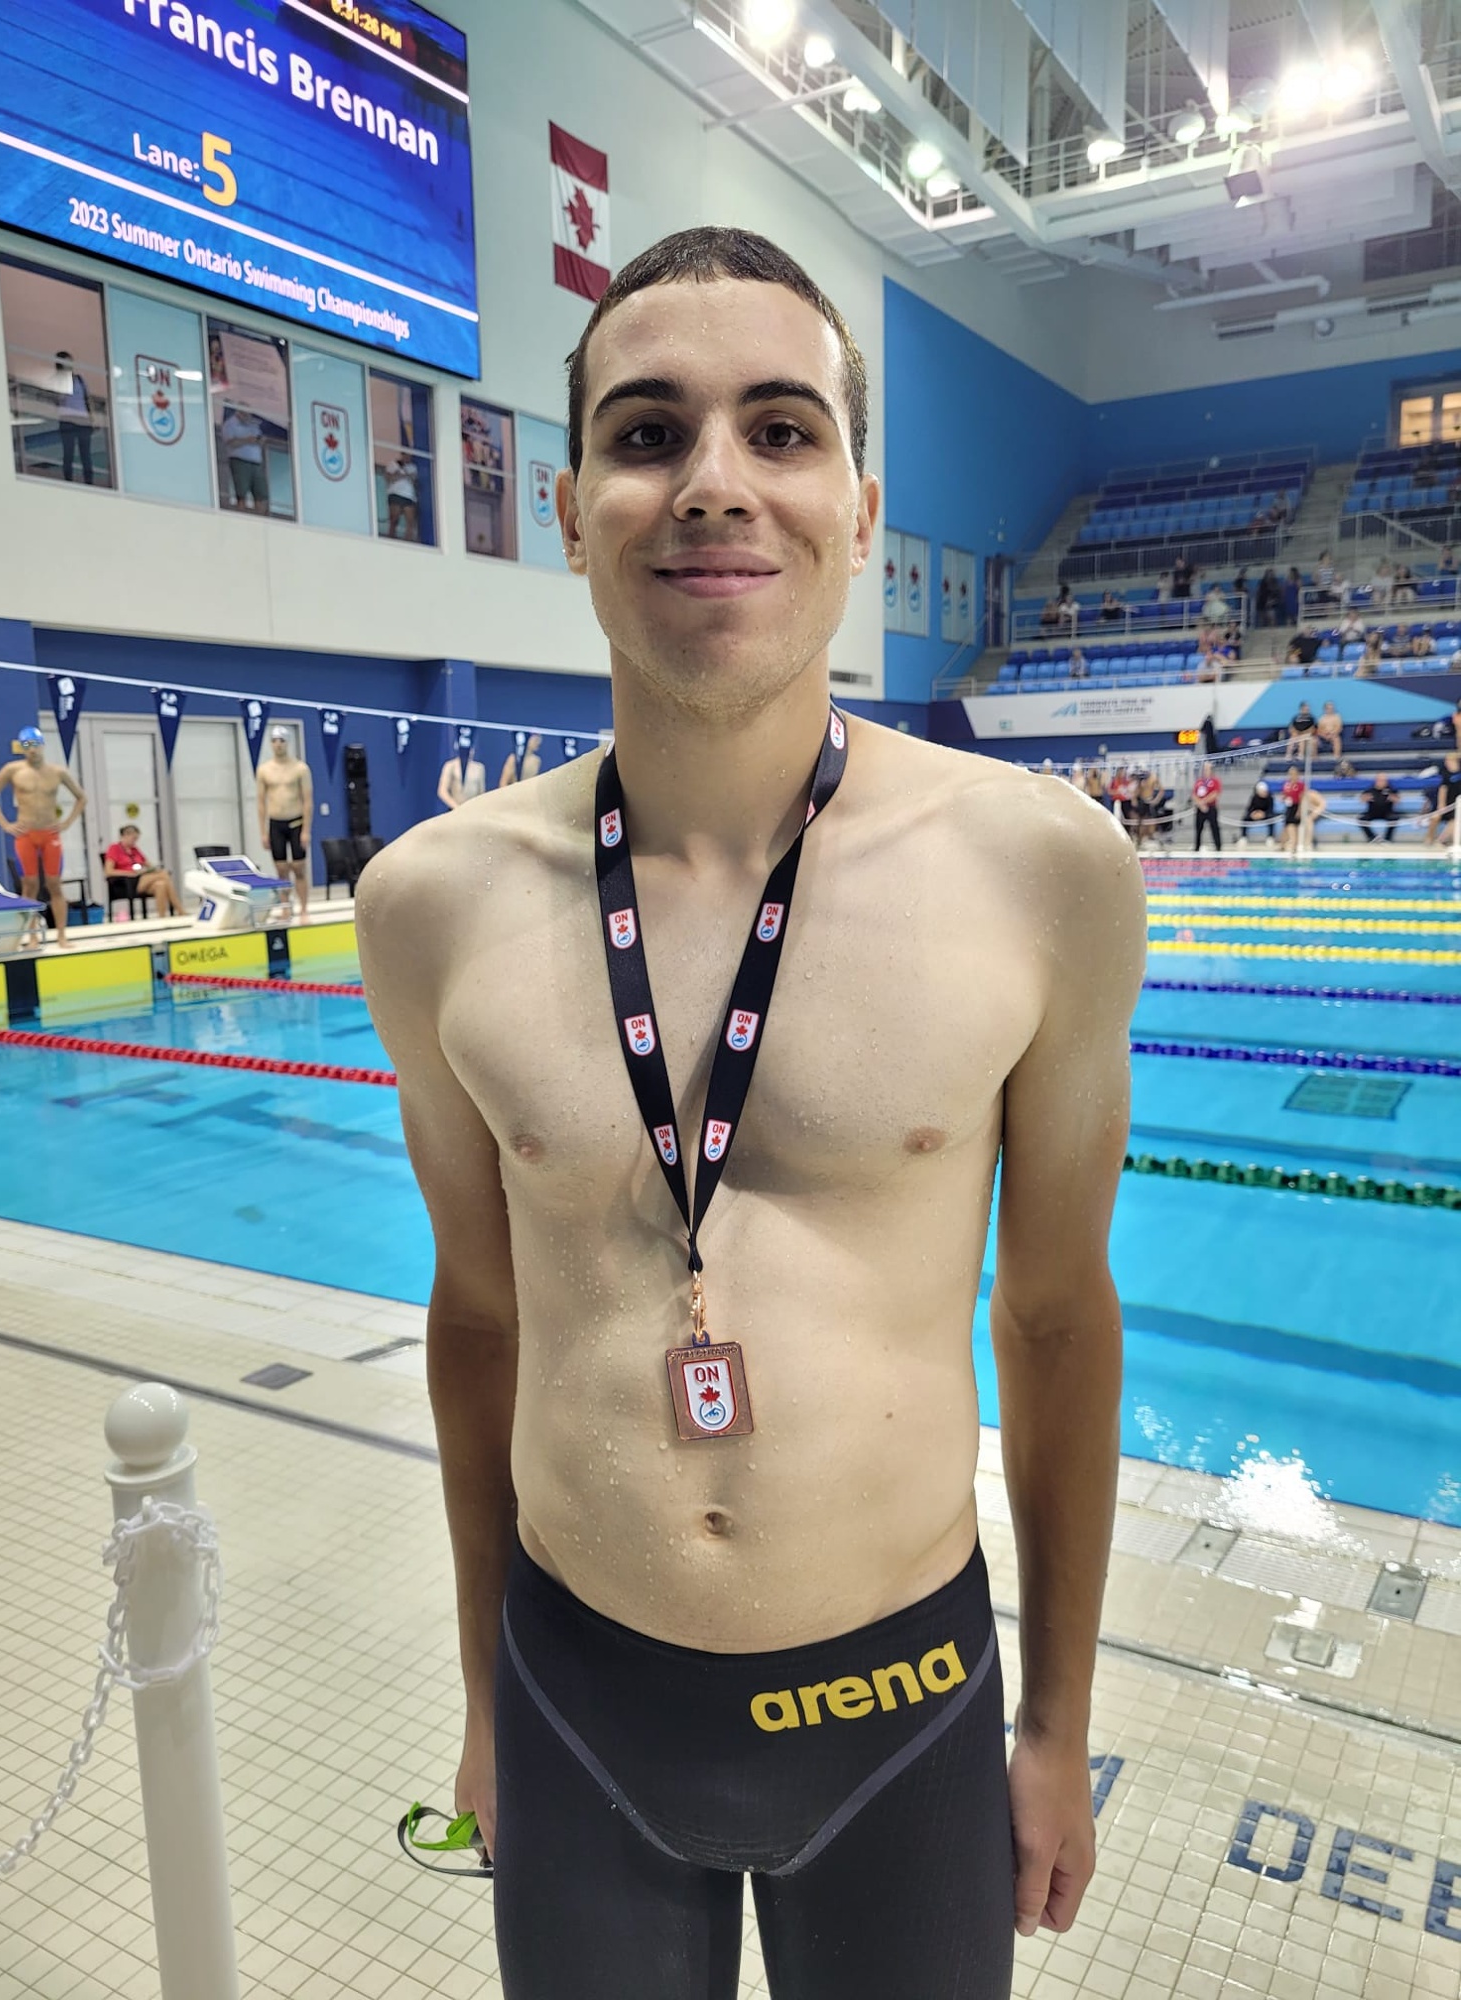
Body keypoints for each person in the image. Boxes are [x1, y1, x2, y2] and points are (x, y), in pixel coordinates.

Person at [355, 225, 1142, 2000]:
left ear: (864, 510)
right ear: (567, 508)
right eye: (649, 434)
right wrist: (488, 1700)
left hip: (903, 1714)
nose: (716, 483)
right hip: (578, 1698)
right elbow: (476, 1317)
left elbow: (1058, 1315)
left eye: (782, 431)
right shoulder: (431, 906)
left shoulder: (1045, 875)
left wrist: (1060, 1719)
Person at [0, 726, 86, 947]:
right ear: (22, 748)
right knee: (30, 885)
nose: (32, 750)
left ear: (42, 745)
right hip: (26, 833)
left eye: (35, 745)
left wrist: (66, 823)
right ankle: (34, 936)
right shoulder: (12, 770)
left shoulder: (58, 772)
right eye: (27, 746)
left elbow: (81, 798)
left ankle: (62, 935)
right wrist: (5, 824)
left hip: (50, 833)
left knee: (54, 884)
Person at [256, 726, 315, 919]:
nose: (278, 744)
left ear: (287, 743)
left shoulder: (300, 769)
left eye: (281, 740)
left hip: (296, 823)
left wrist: (306, 830)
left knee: (299, 868)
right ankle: (285, 907)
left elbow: (307, 801)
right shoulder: (264, 770)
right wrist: (263, 832)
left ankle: (304, 909)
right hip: (276, 824)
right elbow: (261, 802)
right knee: (281, 870)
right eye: (274, 740)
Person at [103, 822, 185, 919]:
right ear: (124, 836)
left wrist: (152, 870)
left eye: (136, 839)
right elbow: (108, 871)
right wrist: (130, 873)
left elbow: (148, 864)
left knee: (161, 884)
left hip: (141, 878)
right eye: (133, 838)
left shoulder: (134, 850)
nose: (135, 841)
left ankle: (162, 917)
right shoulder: (114, 848)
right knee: (164, 875)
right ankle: (180, 910)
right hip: (127, 882)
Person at [54, 351, 96, 485]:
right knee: (68, 453)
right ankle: (68, 480)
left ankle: (89, 480)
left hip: (82, 419)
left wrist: (92, 417)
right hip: (68, 420)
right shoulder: (58, 380)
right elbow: (59, 399)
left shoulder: (79, 379)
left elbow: (88, 398)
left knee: (86, 454)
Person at [221, 404, 269, 514]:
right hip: (240, 461)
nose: (248, 416)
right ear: (239, 412)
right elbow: (230, 442)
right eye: (245, 413)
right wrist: (246, 440)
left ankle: (261, 518)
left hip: (256, 462)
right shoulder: (230, 424)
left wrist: (260, 440)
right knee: (241, 493)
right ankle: (241, 515)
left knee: (260, 494)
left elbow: (259, 439)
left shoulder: (253, 425)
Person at [1425, 752, 1461, 844]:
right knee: (1435, 817)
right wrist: (1441, 804)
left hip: (1457, 803)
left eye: (1449, 761)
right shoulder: (1445, 773)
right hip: (1446, 802)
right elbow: (1443, 789)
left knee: (1455, 820)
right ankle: (1429, 838)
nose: (1447, 763)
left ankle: (1441, 840)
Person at [385, 452, 421, 539]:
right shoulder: (393, 464)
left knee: (410, 522)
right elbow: (389, 478)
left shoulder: (413, 467)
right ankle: (391, 538)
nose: (407, 457)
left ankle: (408, 540)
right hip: (396, 494)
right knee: (394, 520)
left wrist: (407, 476)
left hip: (409, 496)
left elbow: (415, 481)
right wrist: (402, 475)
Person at [1359, 773, 1400, 843]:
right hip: (1372, 812)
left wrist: (1393, 798)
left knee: (1394, 818)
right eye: (1380, 780)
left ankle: (1388, 838)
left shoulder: (1391, 790)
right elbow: (1362, 799)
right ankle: (1372, 837)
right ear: (1376, 781)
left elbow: (1398, 800)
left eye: (1384, 780)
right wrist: (1365, 798)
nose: (1382, 782)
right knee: (1361, 819)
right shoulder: (1370, 790)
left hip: (1387, 812)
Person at [1191, 761, 1222, 852]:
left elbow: (1215, 793)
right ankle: (1197, 846)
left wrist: (1204, 802)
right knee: (1198, 828)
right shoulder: (1199, 781)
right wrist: (1199, 803)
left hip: (1211, 807)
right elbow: (1194, 794)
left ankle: (1218, 846)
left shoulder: (1215, 781)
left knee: (1214, 827)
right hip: (1200, 808)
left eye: (1207, 769)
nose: (1205, 771)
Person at [1238, 781, 1278, 845]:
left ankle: (1270, 837)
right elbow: (1250, 808)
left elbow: (1270, 809)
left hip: (1265, 815)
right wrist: (1253, 813)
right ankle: (1243, 837)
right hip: (1255, 815)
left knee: (1271, 819)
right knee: (1245, 818)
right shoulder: (1254, 797)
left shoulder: (1270, 798)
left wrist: (1263, 814)